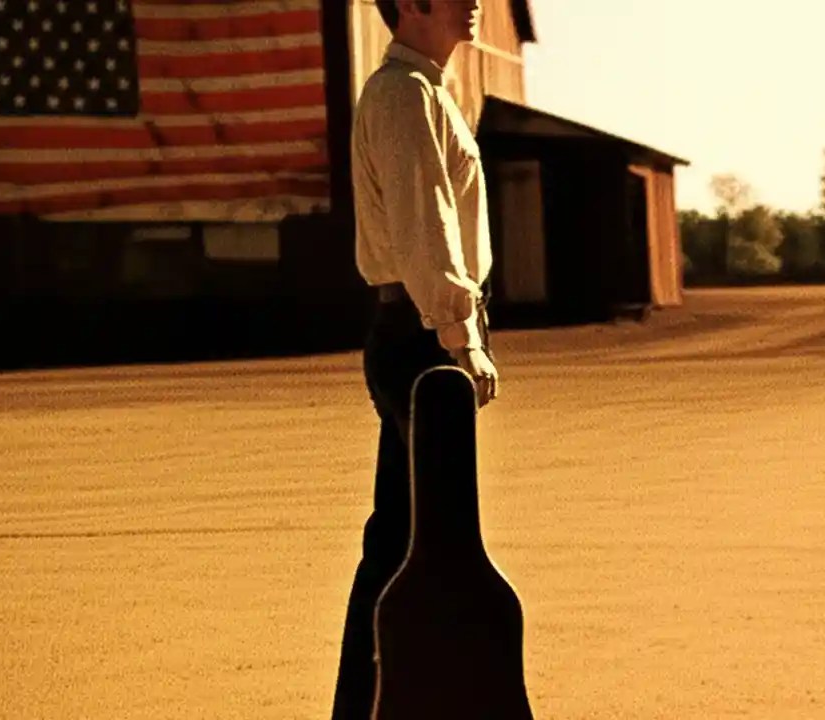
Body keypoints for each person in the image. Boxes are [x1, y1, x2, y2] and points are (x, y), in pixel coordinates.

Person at [331, 1, 497, 717]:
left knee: (406, 543)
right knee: (408, 549)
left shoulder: (427, 91)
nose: (474, 2)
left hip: (420, 331)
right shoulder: (404, 96)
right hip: (421, 337)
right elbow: (426, 226)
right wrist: (463, 337)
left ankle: (385, 703)